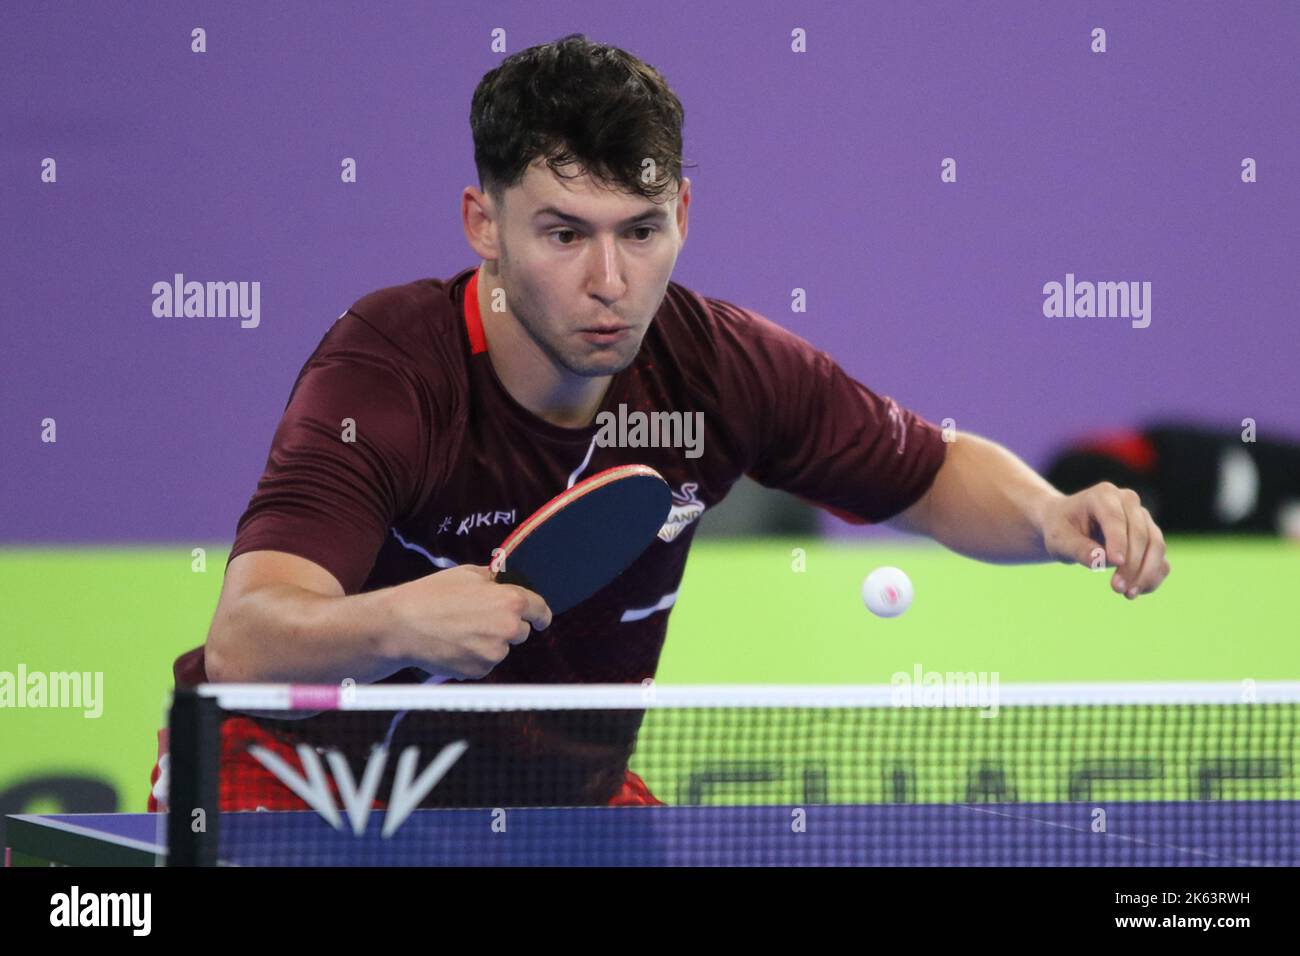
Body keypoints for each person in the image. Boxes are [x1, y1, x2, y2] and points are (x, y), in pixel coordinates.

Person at [150, 34, 1169, 813]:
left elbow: (931, 470)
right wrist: (394, 621)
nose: (609, 282)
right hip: (296, 780)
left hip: (550, 805)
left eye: (641, 232)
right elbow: (244, 642)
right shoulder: (388, 368)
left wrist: (1046, 515)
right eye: (563, 234)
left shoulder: (717, 366)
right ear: (482, 224)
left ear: (682, 210)